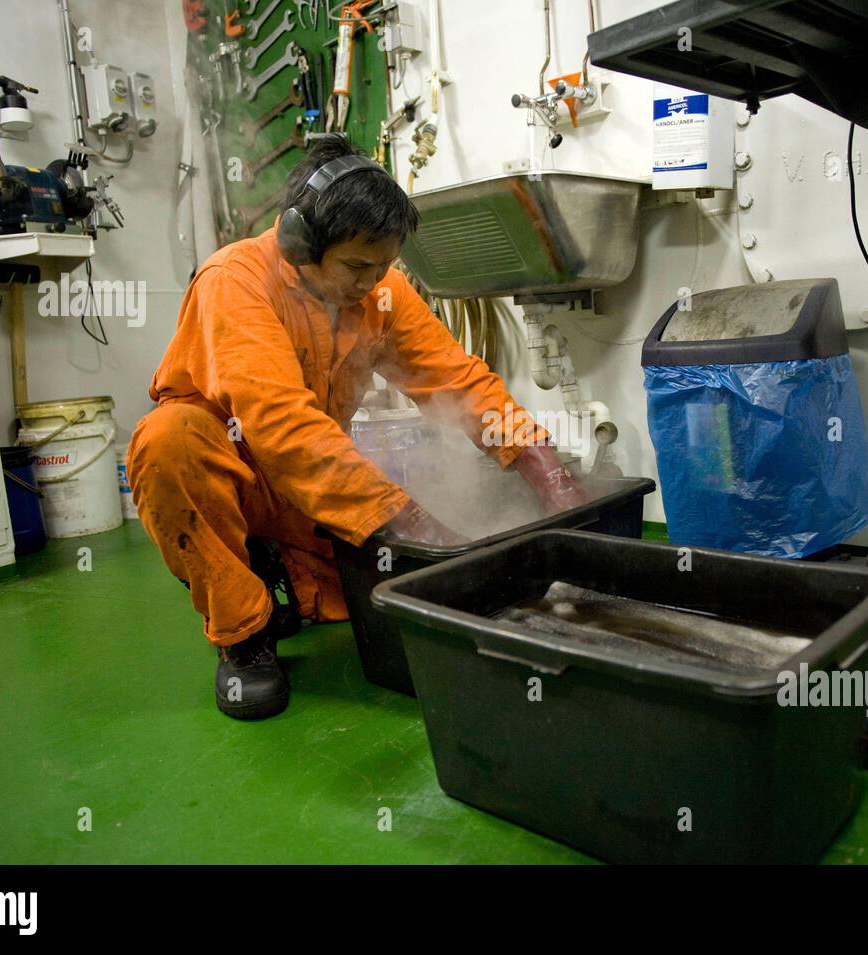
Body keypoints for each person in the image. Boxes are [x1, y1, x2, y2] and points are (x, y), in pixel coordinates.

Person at [127, 134, 584, 720]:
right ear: (300, 241)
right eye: (358, 265)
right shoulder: (234, 280)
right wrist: (415, 526)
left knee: (366, 599)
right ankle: (243, 634)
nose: (372, 281)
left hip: (313, 483)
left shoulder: (381, 292)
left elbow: (456, 381)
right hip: (230, 475)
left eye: (385, 265)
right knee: (167, 441)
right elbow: (282, 427)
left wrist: (541, 465)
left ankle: (275, 568)